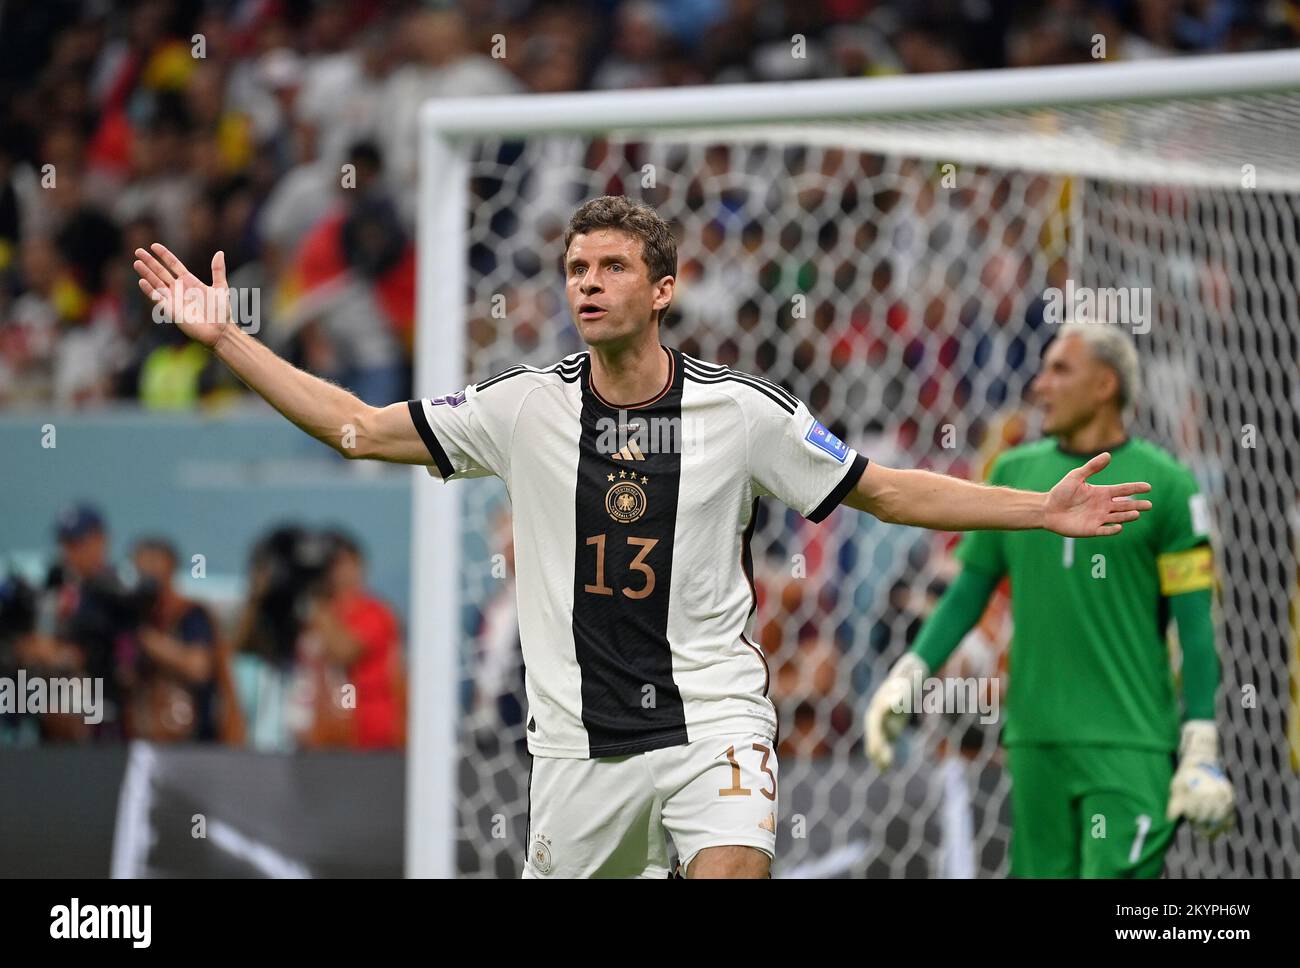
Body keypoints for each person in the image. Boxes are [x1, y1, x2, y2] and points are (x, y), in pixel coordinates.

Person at [132, 195, 1153, 879]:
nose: (587, 282)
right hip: (576, 747)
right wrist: (228, 338)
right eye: (575, 266)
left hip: (713, 715)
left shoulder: (744, 411)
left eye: (612, 266)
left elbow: (880, 488)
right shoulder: (522, 408)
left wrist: (1038, 508)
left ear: (661, 289)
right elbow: (354, 426)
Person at [865, 323, 1235, 877]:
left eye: (1060, 369)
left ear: (1106, 384)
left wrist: (1200, 740)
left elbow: (1196, 626)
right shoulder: (1014, 473)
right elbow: (969, 592)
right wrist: (910, 674)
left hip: (1129, 742)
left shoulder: (1170, 486)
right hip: (1036, 741)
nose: (1040, 385)